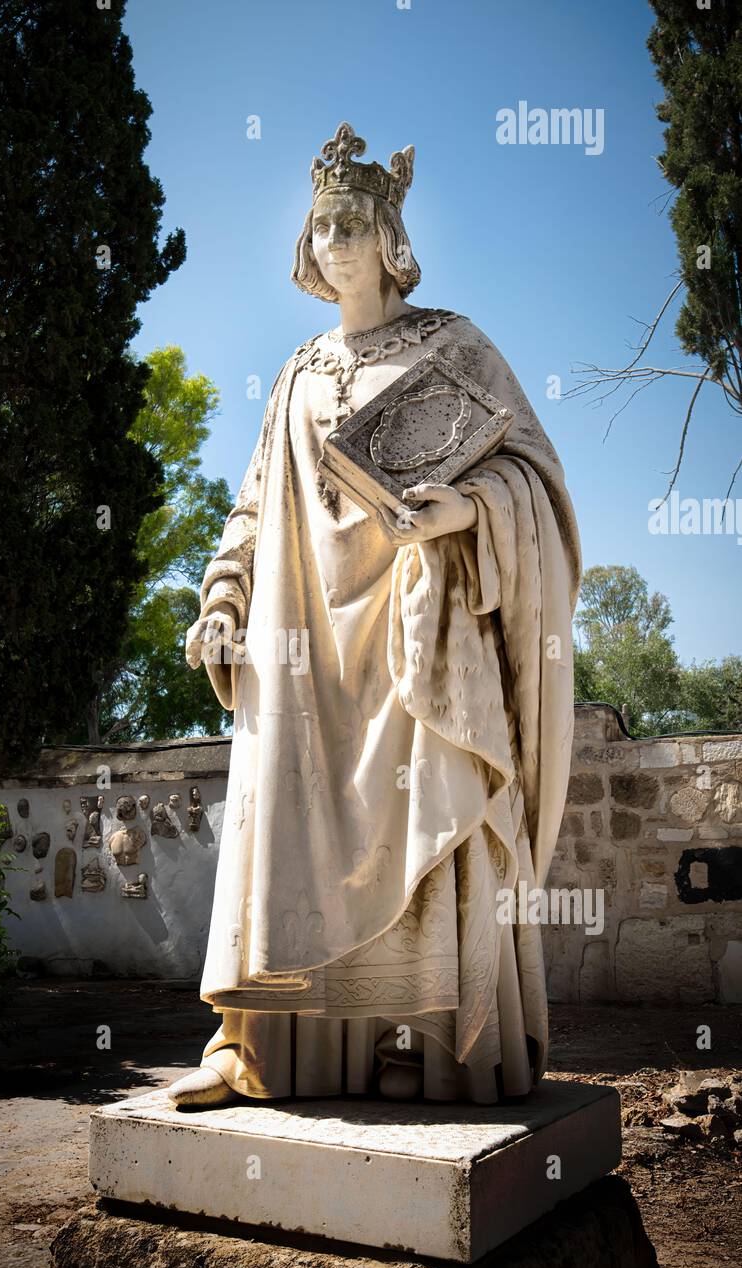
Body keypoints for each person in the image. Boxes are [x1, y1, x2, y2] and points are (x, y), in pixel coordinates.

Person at [173, 122, 581, 1109]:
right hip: (304, 650)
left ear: (388, 230)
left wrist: (468, 511)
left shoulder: (454, 344)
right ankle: (272, 1052)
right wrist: (224, 598)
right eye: (321, 227)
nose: (337, 243)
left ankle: (431, 1048)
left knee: (430, 816)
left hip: (419, 637)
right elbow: (253, 504)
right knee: (290, 834)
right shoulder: (298, 373)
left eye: (353, 223)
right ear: (306, 245)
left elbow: (536, 480)